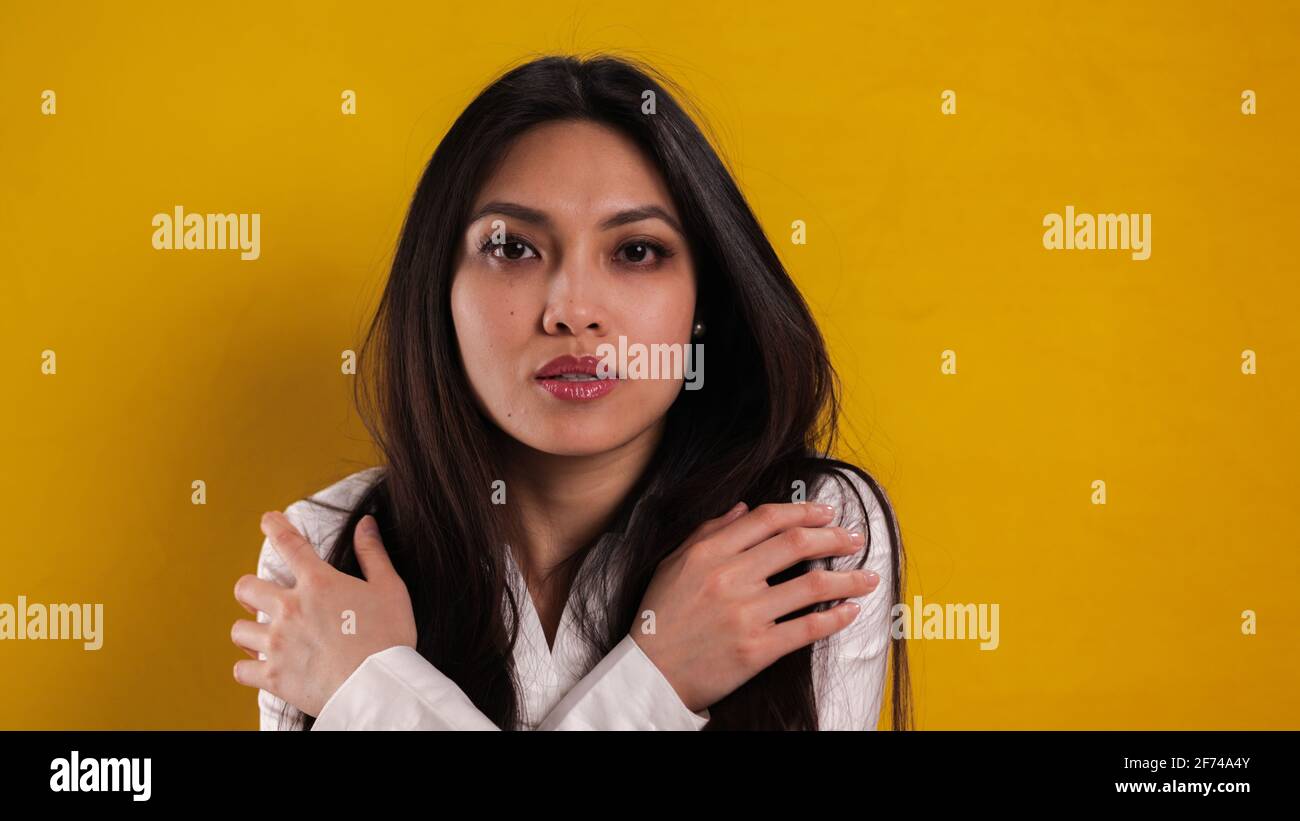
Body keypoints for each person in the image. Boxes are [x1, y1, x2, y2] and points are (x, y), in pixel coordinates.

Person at [230, 53, 910, 730]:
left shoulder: (805, 530)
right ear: (439, 292)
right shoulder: (326, 549)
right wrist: (657, 681)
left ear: (705, 302)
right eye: (512, 247)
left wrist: (372, 695)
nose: (573, 310)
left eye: (636, 251)